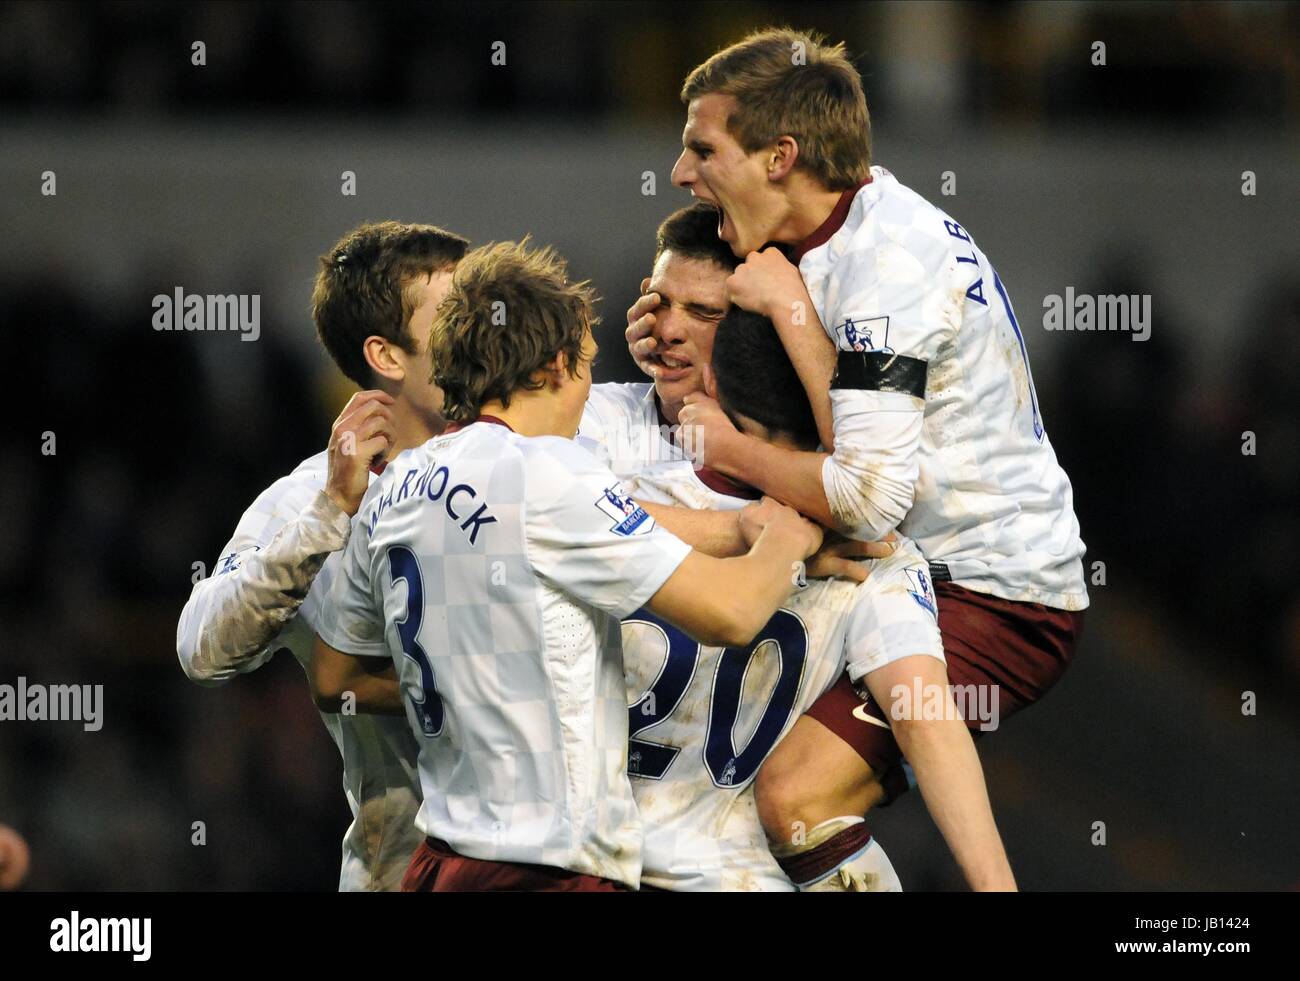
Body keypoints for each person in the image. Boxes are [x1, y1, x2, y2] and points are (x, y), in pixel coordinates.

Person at [625, 27, 1087, 884]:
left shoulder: (887, 267)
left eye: (702, 147)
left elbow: (869, 498)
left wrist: (725, 436)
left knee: (795, 794)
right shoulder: (819, 233)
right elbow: (818, 421)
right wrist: (674, 346)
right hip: (899, 549)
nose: (683, 173)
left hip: (987, 585)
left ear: (779, 156)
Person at [309, 239, 824, 891]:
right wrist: (786, 534)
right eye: (585, 364)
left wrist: (484, 685)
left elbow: (335, 677)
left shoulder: (394, 485)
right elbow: (733, 612)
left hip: (438, 864)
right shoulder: (549, 471)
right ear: (555, 365)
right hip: (548, 869)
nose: (589, 389)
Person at [599, 305, 1016, 891]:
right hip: (740, 879)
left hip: (591, 865)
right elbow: (926, 719)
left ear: (713, 380)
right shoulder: (877, 555)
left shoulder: (619, 494)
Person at [176, 220, 468, 890]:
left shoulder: (548, 455)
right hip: (403, 871)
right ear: (386, 356)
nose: (487, 331)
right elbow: (201, 646)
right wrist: (329, 516)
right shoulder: (309, 499)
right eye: (458, 316)